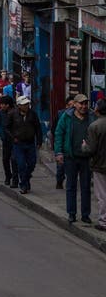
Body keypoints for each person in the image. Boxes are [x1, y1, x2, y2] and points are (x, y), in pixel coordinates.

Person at [54, 93, 92, 224]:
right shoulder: (67, 117)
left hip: (86, 158)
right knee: (71, 186)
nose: (84, 106)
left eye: (86, 103)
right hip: (70, 156)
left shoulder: (91, 116)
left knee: (86, 187)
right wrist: (58, 152)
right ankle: (71, 213)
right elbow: (59, 134)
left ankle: (85, 214)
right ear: (75, 104)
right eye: (81, 103)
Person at [5, 95, 43, 195]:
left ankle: (26, 179)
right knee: (21, 164)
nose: (26, 106)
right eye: (24, 105)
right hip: (19, 144)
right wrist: (14, 137)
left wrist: (39, 141)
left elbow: (38, 128)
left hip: (30, 143)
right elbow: (7, 128)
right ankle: (23, 185)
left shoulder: (32, 114)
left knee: (32, 163)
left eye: (27, 104)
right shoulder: (12, 114)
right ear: (19, 106)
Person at [82, 98, 106, 231]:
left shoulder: (95, 126)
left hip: (100, 164)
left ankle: (103, 221)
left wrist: (84, 146)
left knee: (102, 195)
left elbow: (91, 149)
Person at [53, 96, 74, 189]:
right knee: (61, 166)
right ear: (66, 106)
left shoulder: (78, 115)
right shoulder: (61, 114)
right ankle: (59, 181)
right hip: (62, 145)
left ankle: (70, 183)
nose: (72, 107)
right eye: (70, 105)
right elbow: (55, 130)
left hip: (72, 146)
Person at [0, 95, 18, 188]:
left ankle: (15, 178)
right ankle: (8, 176)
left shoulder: (15, 112)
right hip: (5, 139)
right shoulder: (1, 113)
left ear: (8, 105)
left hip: (14, 139)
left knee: (14, 159)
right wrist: (1, 134)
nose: (1, 106)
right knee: (5, 159)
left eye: (3, 104)